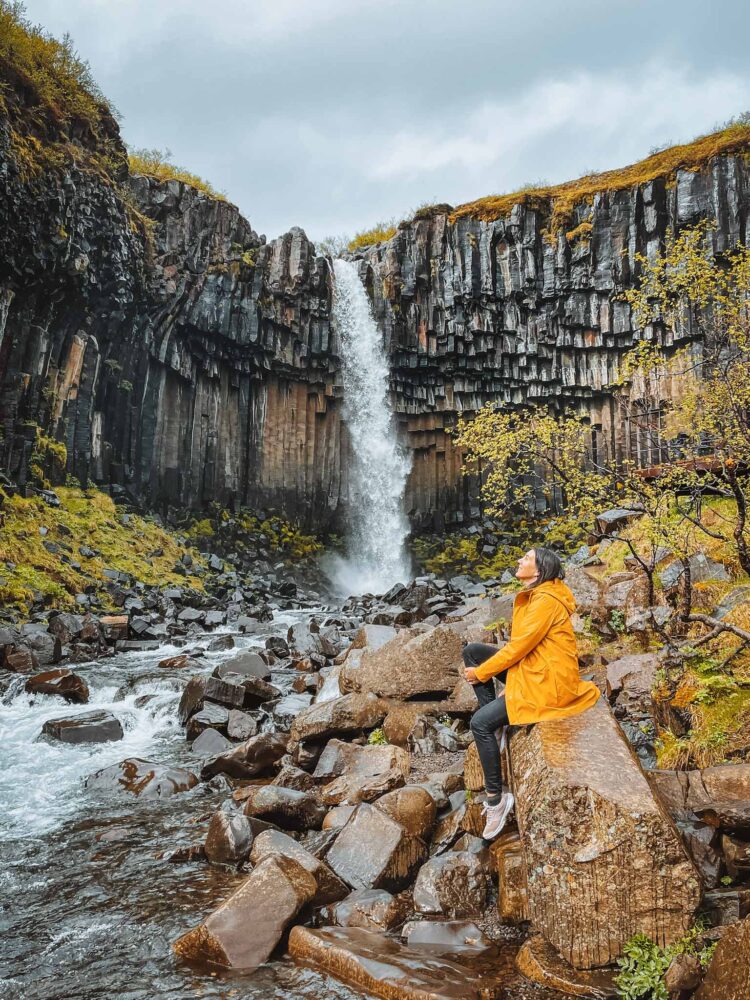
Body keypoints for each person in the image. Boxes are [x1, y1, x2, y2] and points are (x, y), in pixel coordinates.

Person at [463, 546, 599, 839]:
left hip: (547, 684)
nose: (519, 560)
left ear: (539, 571)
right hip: (535, 671)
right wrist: (487, 670)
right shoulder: (538, 595)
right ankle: (497, 729)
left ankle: (497, 801)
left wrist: (481, 674)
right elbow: (523, 650)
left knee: (478, 723)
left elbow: (518, 648)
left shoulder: (545, 601)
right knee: (473, 652)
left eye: (525, 558)